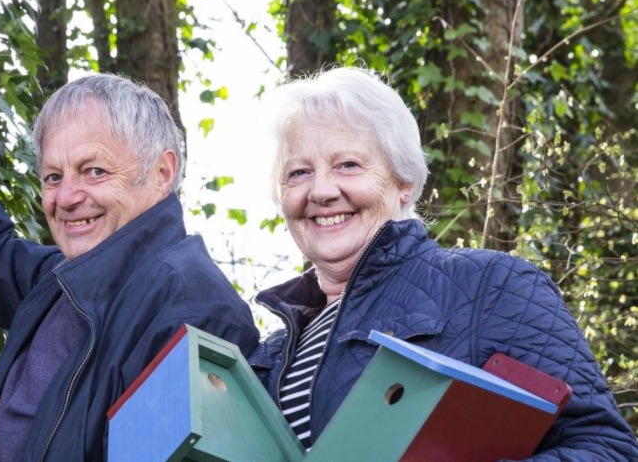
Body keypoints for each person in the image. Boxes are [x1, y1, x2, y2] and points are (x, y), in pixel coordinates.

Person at [0, 48, 260, 461]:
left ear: (161, 173)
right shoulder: (64, 279)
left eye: (94, 171)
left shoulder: (192, 308)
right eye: (53, 176)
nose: (66, 198)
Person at [248, 66, 638, 459]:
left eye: (347, 164)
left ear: (404, 182)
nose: (321, 191)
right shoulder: (269, 357)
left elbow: (608, 450)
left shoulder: (492, 287)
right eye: (298, 173)